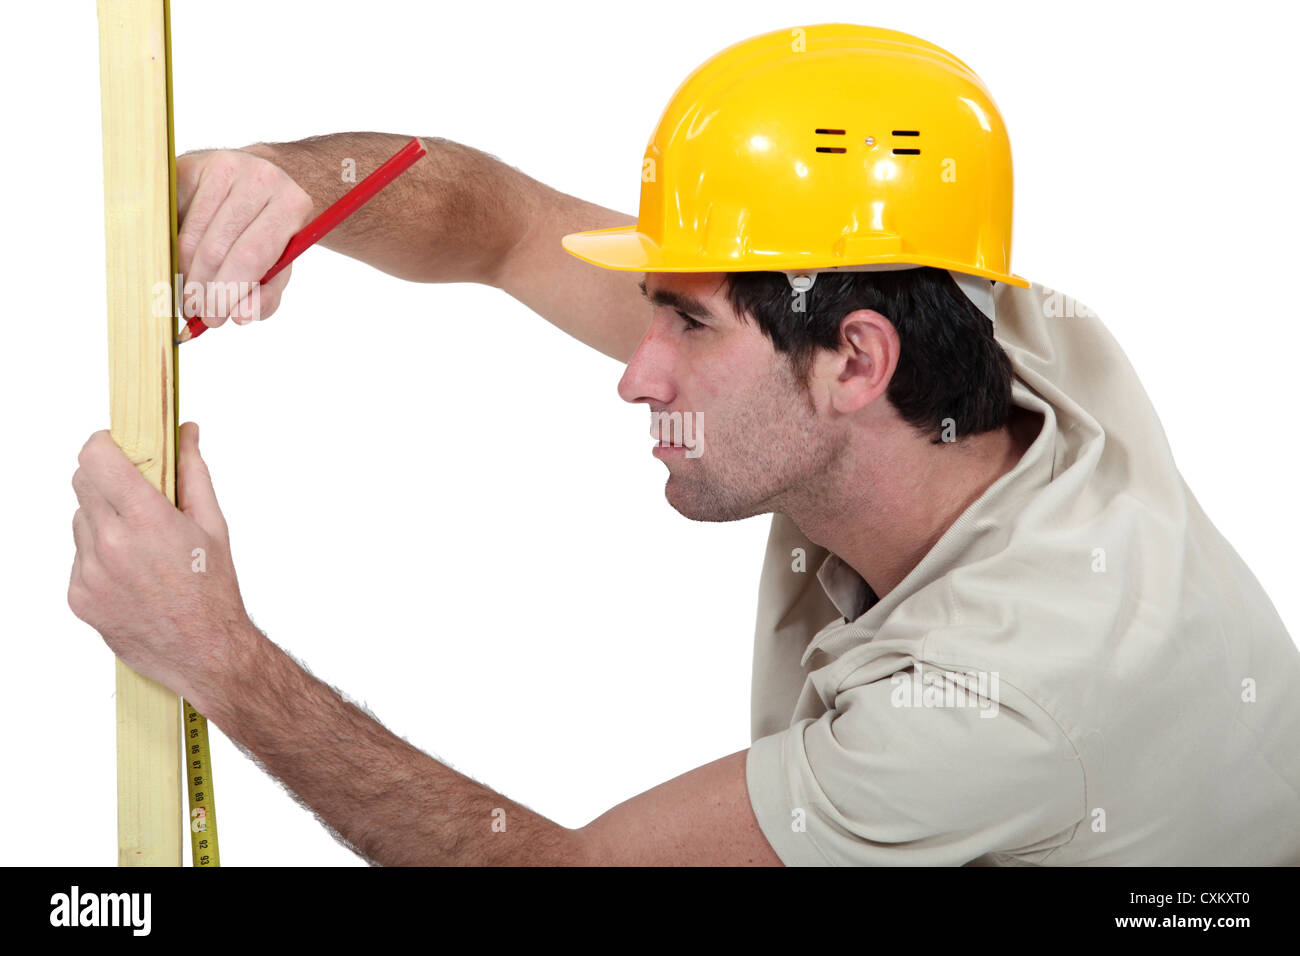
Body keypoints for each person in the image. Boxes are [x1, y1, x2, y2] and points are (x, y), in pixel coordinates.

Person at [69, 24, 1300, 865]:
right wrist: (298, 183)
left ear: (857, 362)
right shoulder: (973, 335)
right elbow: (500, 224)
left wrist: (216, 656)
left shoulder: (999, 705)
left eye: (686, 323)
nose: (633, 372)